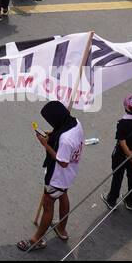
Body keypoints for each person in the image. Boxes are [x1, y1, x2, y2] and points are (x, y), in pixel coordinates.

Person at [20, 101, 83, 252]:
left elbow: (62, 162)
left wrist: (45, 144)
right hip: (68, 176)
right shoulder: (75, 123)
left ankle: (37, 240)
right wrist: (52, 134)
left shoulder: (66, 140)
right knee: (63, 196)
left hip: (57, 176)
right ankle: (62, 229)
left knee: (48, 206)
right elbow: (62, 134)